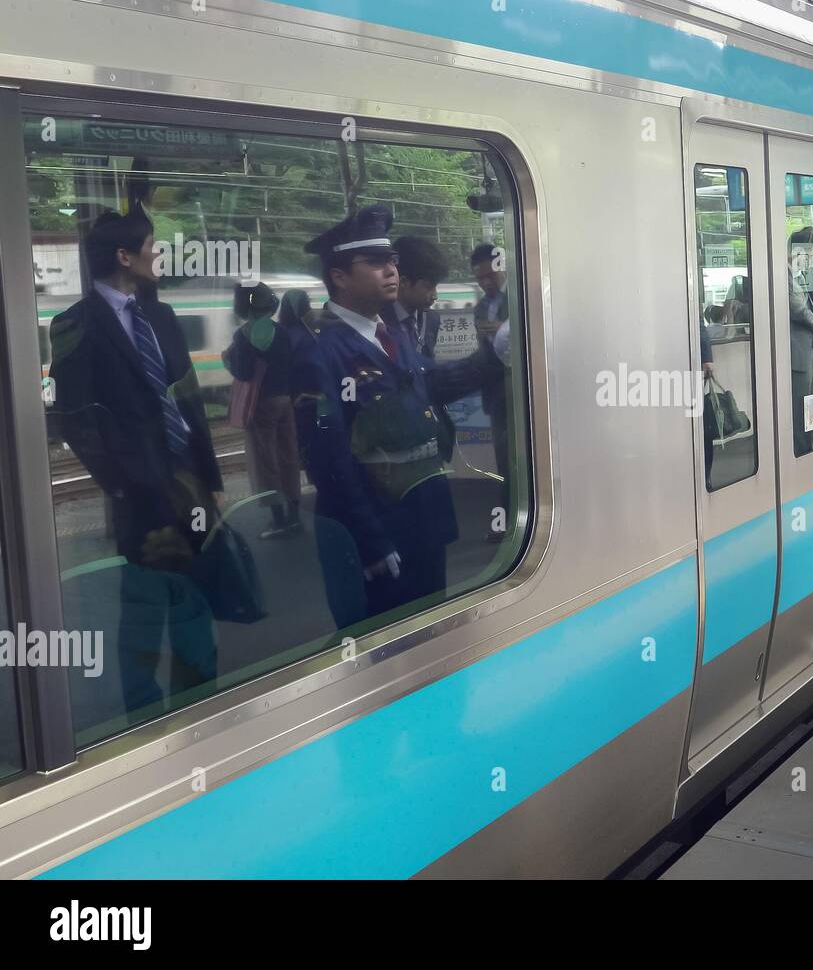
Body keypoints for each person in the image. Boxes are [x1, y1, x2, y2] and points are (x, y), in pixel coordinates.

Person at [49, 207, 223, 709]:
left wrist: (209, 477)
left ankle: (200, 703)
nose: (159, 256)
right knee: (145, 605)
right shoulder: (74, 324)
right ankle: (145, 716)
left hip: (189, 483)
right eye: (152, 246)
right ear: (125, 256)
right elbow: (75, 417)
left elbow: (188, 401)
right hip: (140, 493)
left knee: (195, 600)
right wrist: (124, 485)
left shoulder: (162, 316)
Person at [293, 205, 501, 623]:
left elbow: (431, 384)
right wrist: (369, 542)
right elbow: (329, 461)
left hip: (423, 519)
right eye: (374, 262)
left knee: (433, 637)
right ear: (339, 277)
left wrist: (496, 355)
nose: (390, 270)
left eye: (391, 260)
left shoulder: (394, 333)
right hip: (379, 530)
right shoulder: (318, 353)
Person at [224, 282, 302, 539]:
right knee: (289, 457)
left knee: (266, 462)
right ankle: (295, 515)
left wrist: (228, 361)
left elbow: (244, 373)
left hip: (260, 405)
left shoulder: (244, 335)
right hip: (285, 401)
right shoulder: (281, 332)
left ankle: (279, 519)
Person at [471, 243, 510, 540]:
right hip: (496, 393)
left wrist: (503, 329)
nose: (485, 283)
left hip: (525, 393)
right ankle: (508, 519)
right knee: (503, 458)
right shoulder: (480, 308)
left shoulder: (523, 298)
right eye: (479, 278)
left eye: (488, 275)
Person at [788, 229, 813, 454]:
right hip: (797, 354)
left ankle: (809, 445)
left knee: (810, 401)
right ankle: (802, 450)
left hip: (807, 351)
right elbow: (799, 309)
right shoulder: (786, 274)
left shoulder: (799, 274)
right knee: (802, 405)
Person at [383, 236, 446, 360]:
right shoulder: (379, 323)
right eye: (428, 287)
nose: (435, 296)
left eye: (436, 286)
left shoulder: (431, 320)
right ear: (404, 282)